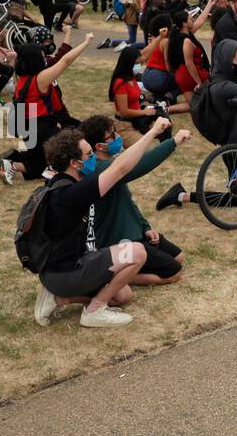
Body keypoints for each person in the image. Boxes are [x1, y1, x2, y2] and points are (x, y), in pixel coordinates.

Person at [32, 121, 167, 328]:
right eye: (88, 154)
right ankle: (94, 312)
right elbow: (120, 168)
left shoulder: (59, 182)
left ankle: (58, 299)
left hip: (60, 269)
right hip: (66, 272)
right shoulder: (73, 192)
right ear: (74, 163)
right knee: (138, 252)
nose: (93, 157)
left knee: (123, 295)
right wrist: (154, 132)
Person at [79, 115, 189, 286]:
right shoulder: (100, 171)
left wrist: (145, 227)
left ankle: (127, 266)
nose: (117, 137)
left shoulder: (110, 164)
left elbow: (128, 202)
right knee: (174, 273)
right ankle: (114, 276)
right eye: (112, 135)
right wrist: (170, 141)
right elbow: (141, 164)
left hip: (136, 234)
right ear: (100, 146)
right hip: (119, 243)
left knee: (179, 257)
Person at [0, 34, 92, 184]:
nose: (45, 59)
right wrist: (86, 42)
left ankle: (14, 164)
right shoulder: (40, 79)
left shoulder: (22, 79)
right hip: (42, 128)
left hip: (28, 128)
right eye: (42, 57)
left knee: (39, 163)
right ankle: (20, 165)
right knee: (70, 145)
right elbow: (66, 61)